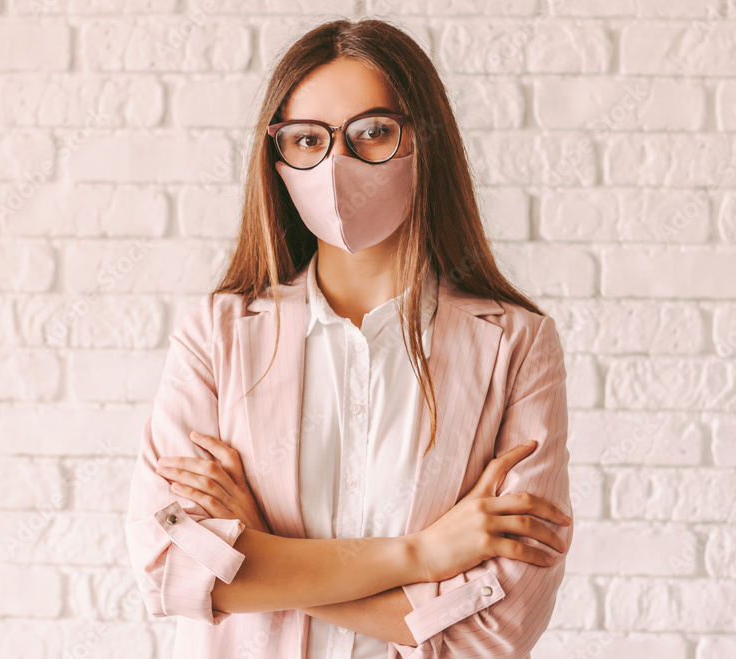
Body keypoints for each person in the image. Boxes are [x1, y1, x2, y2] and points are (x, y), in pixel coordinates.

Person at [125, 17, 574, 659]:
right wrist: (422, 554)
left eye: (372, 132)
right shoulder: (217, 336)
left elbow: (494, 630)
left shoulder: (516, 346)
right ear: (278, 157)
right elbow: (170, 567)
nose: (336, 163)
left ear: (425, 141)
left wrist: (257, 552)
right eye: (308, 139)